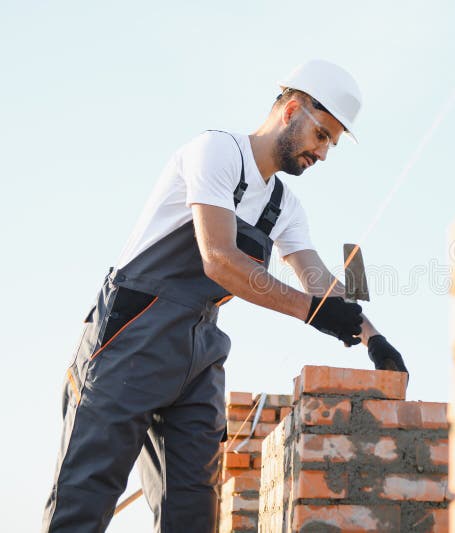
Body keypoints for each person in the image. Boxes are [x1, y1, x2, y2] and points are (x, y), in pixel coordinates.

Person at [42, 59, 408, 532]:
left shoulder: (284, 206)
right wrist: (311, 313)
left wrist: (373, 338)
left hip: (197, 351)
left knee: (193, 511)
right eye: (322, 136)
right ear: (292, 109)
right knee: (85, 498)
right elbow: (218, 258)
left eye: (332, 145)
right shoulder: (216, 152)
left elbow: (319, 284)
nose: (323, 154)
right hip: (132, 335)